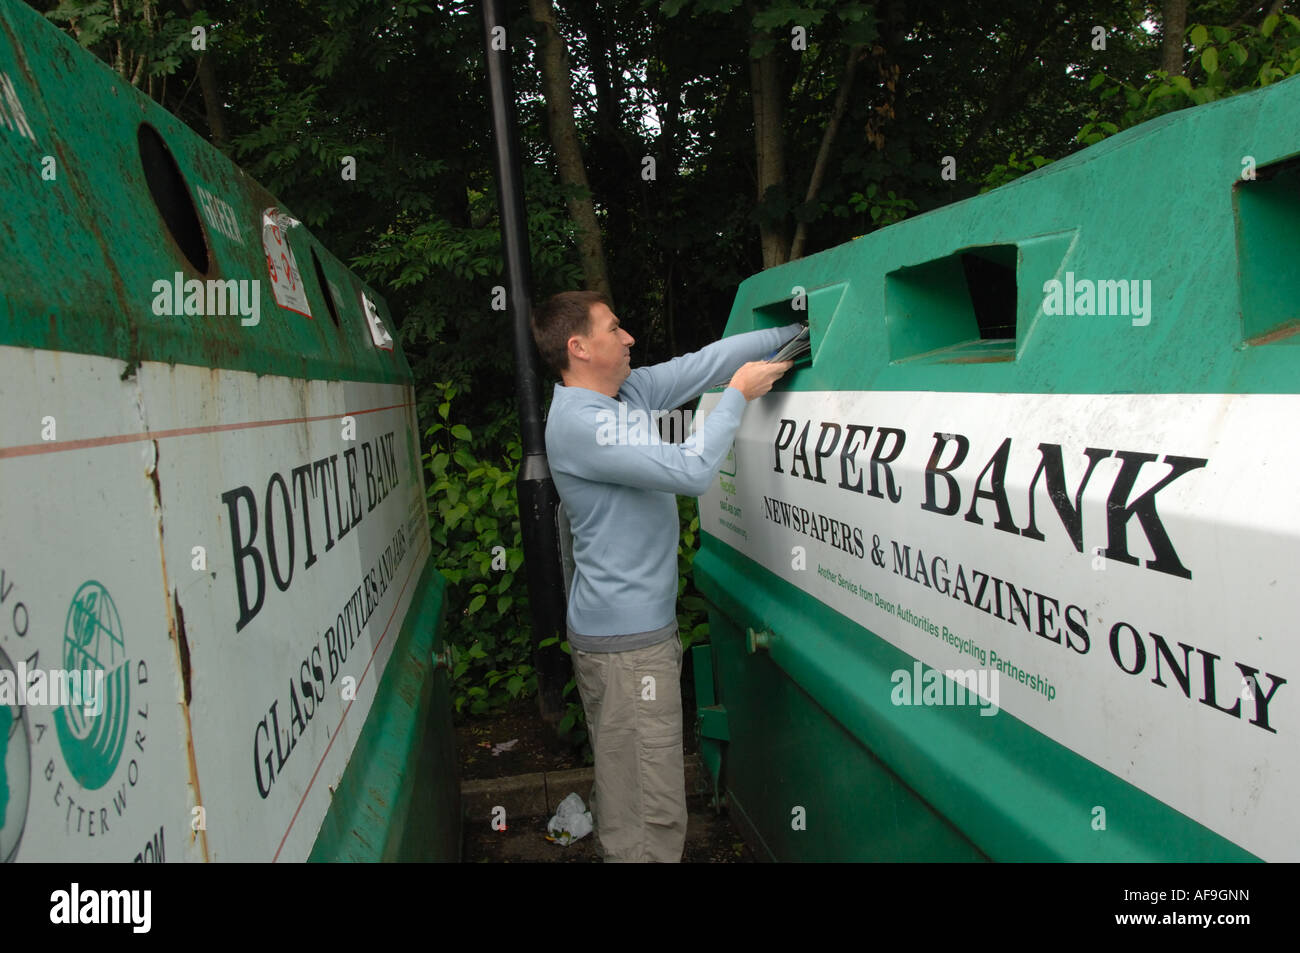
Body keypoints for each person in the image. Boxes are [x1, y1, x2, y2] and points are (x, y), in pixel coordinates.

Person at [531, 290, 799, 862]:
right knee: (648, 808)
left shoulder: (622, 394)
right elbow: (691, 469)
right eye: (614, 328)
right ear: (578, 348)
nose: (629, 338)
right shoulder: (584, 424)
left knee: (632, 784)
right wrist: (737, 397)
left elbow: (704, 363)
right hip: (627, 651)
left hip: (630, 639)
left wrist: (792, 333)